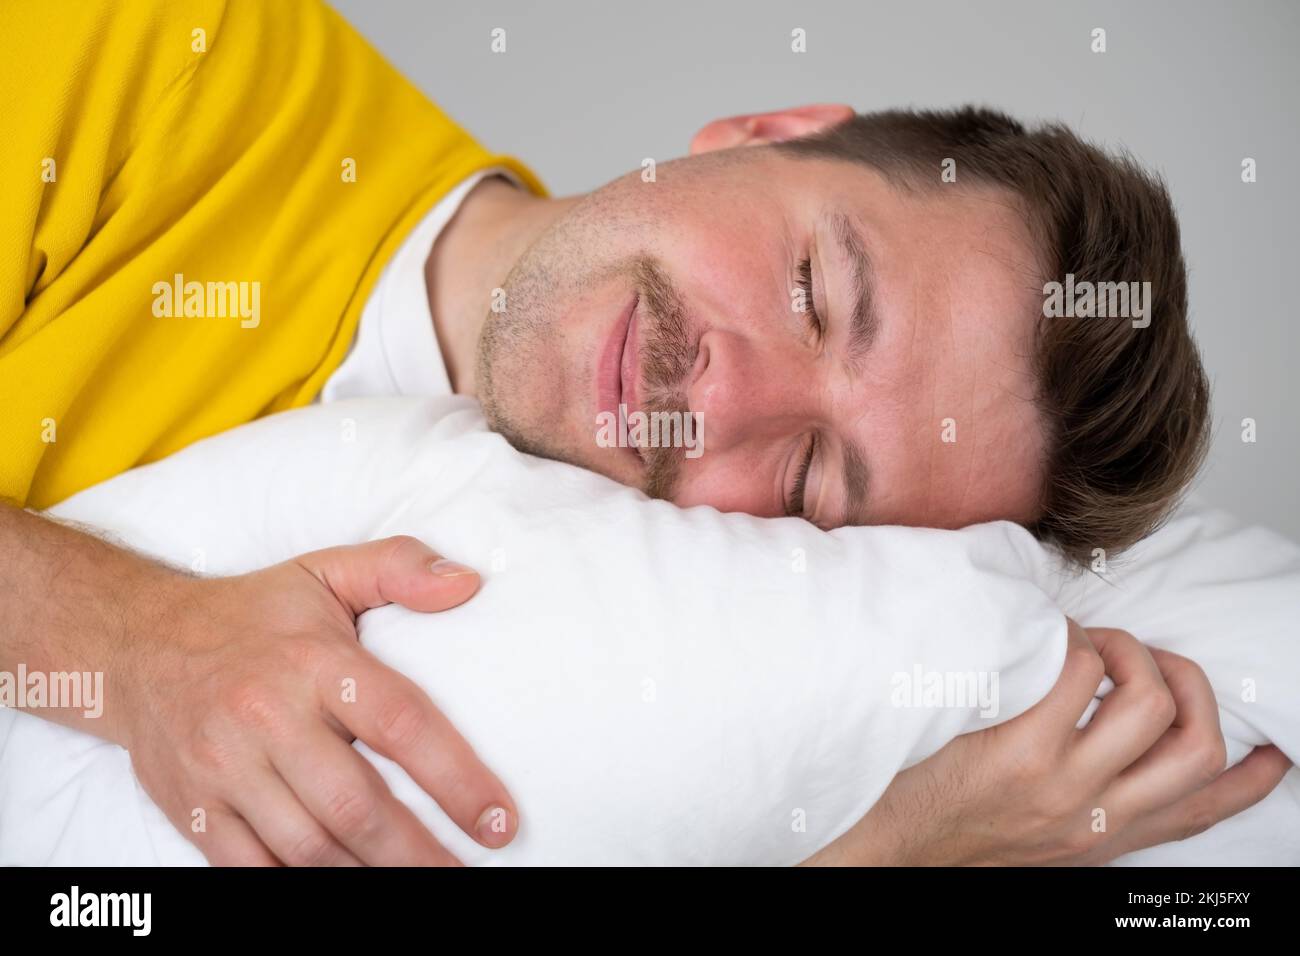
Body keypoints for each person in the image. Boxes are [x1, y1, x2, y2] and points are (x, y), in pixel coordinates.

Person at [0, 0, 1287, 866]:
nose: (722, 396)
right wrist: (132, 642)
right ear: (764, 134)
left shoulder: (579, 651)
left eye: (805, 481)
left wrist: (890, 845)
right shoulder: (158, 52)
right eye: (812, 295)